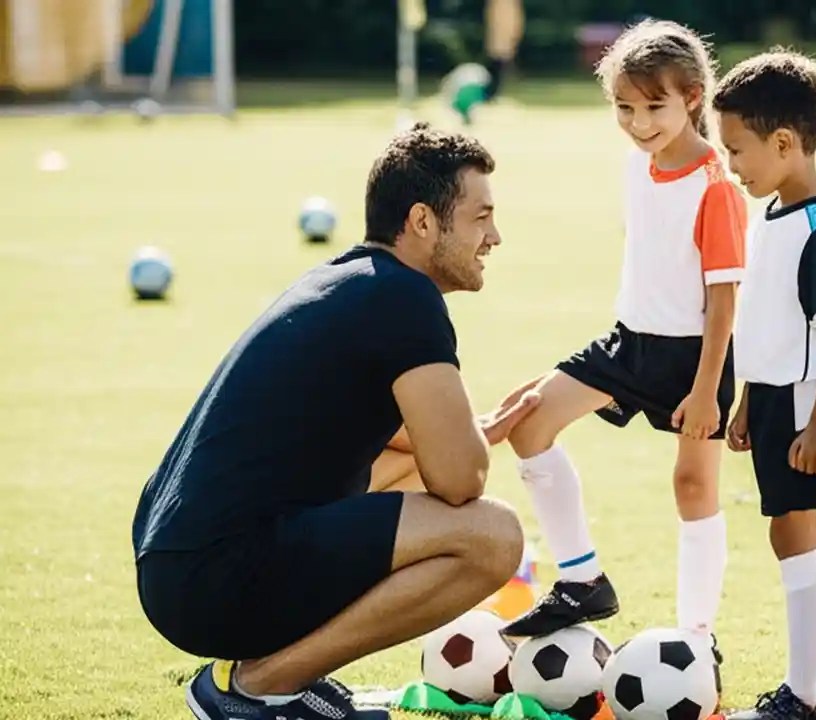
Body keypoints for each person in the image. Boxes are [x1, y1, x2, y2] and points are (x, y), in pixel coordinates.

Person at [131, 123, 537, 720]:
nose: (495, 236)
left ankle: (284, 679)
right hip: (216, 576)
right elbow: (460, 480)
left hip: (179, 567)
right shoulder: (406, 298)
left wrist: (469, 428)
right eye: (481, 217)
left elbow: (385, 446)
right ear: (423, 222)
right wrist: (468, 440)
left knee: (409, 473)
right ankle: (262, 685)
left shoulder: (346, 279)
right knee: (492, 538)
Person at [498, 19, 746, 656]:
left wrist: (707, 393)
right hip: (626, 343)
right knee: (529, 423)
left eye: (654, 107)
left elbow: (724, 302)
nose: (639, 124)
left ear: (693, 97)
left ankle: (697, 634)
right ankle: (581, 578)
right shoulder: (637, 168)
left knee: (693, 488)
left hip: (694, 357)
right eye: (624, 108)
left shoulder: (717, 187)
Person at [712, 51, 816, 720]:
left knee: (792, 531)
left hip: (805, 404)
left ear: (784, 144)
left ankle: (803, 695)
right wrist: (745, 401)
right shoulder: (770, 215)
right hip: (771, 399)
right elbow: (765, 319)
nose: (732, 164)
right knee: (790, 533)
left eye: (737, 150)